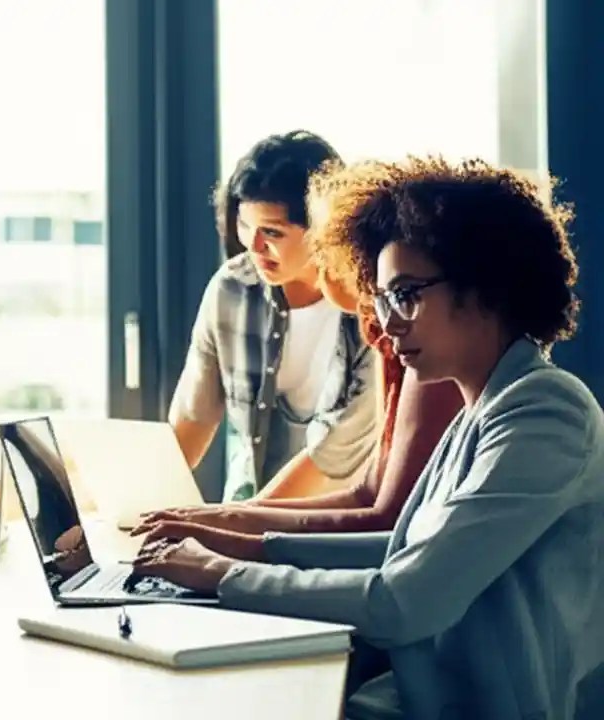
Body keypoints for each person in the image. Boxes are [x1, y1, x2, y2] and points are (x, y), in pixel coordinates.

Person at [135, 156, 604, 719]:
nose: (387, 322)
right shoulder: (480, 409)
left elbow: (403, 601)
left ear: (487, 285)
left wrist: (224, 573)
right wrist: (244, 546)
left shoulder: (546, 415)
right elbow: (406, 551)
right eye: (382, 298)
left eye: (406, 293)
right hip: (423, 693)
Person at [133, 208, 465, 560]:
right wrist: (217, 518)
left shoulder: (423, 359)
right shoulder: (383, 338)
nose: (316, 270)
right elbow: (367, 494)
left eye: (324, 252)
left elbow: (388, 519)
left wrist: (224, 545)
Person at [171, 130, 377, 503]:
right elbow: (194, 417)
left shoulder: (372, 305)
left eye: (272, 232)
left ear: (324, 227)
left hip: (347, 519)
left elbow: (333, 455)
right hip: (248, 507)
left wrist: (238, 524)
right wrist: (143, 509)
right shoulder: (232, 289)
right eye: (245, 226)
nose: (254, 246)